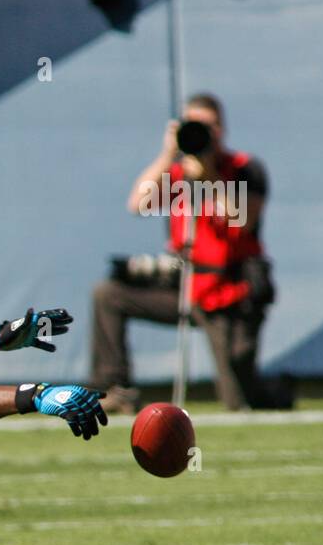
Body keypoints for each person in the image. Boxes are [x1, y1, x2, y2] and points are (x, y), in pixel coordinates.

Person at [92, 93, 290, 413]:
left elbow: (242, 218)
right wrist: (167, 155)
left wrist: (208, 173)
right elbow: (138, 203)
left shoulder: (244, 168)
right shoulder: (177, 172)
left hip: (230, 291)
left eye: (207, 126)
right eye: (192, 125)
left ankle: (273, 392)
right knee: (108, 294)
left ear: (221, 129)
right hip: (184, 284)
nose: (200, 132)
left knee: (238, 398)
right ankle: (115, 388)